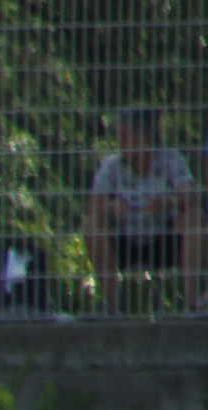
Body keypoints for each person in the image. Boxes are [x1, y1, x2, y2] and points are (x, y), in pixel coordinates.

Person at [82, 107, 203, 316]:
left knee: (195, 217)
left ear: (146, 138)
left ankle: (192, 306)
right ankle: (114, 308)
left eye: (126, 136)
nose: (120, 143)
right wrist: (111, 206)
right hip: (125, 240)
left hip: (164, 240)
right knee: (92, 224)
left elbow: (192, 197)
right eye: (119, 137)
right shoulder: (112, 165)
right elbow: (91, 206)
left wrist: (169, 202)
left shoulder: (171, 159)